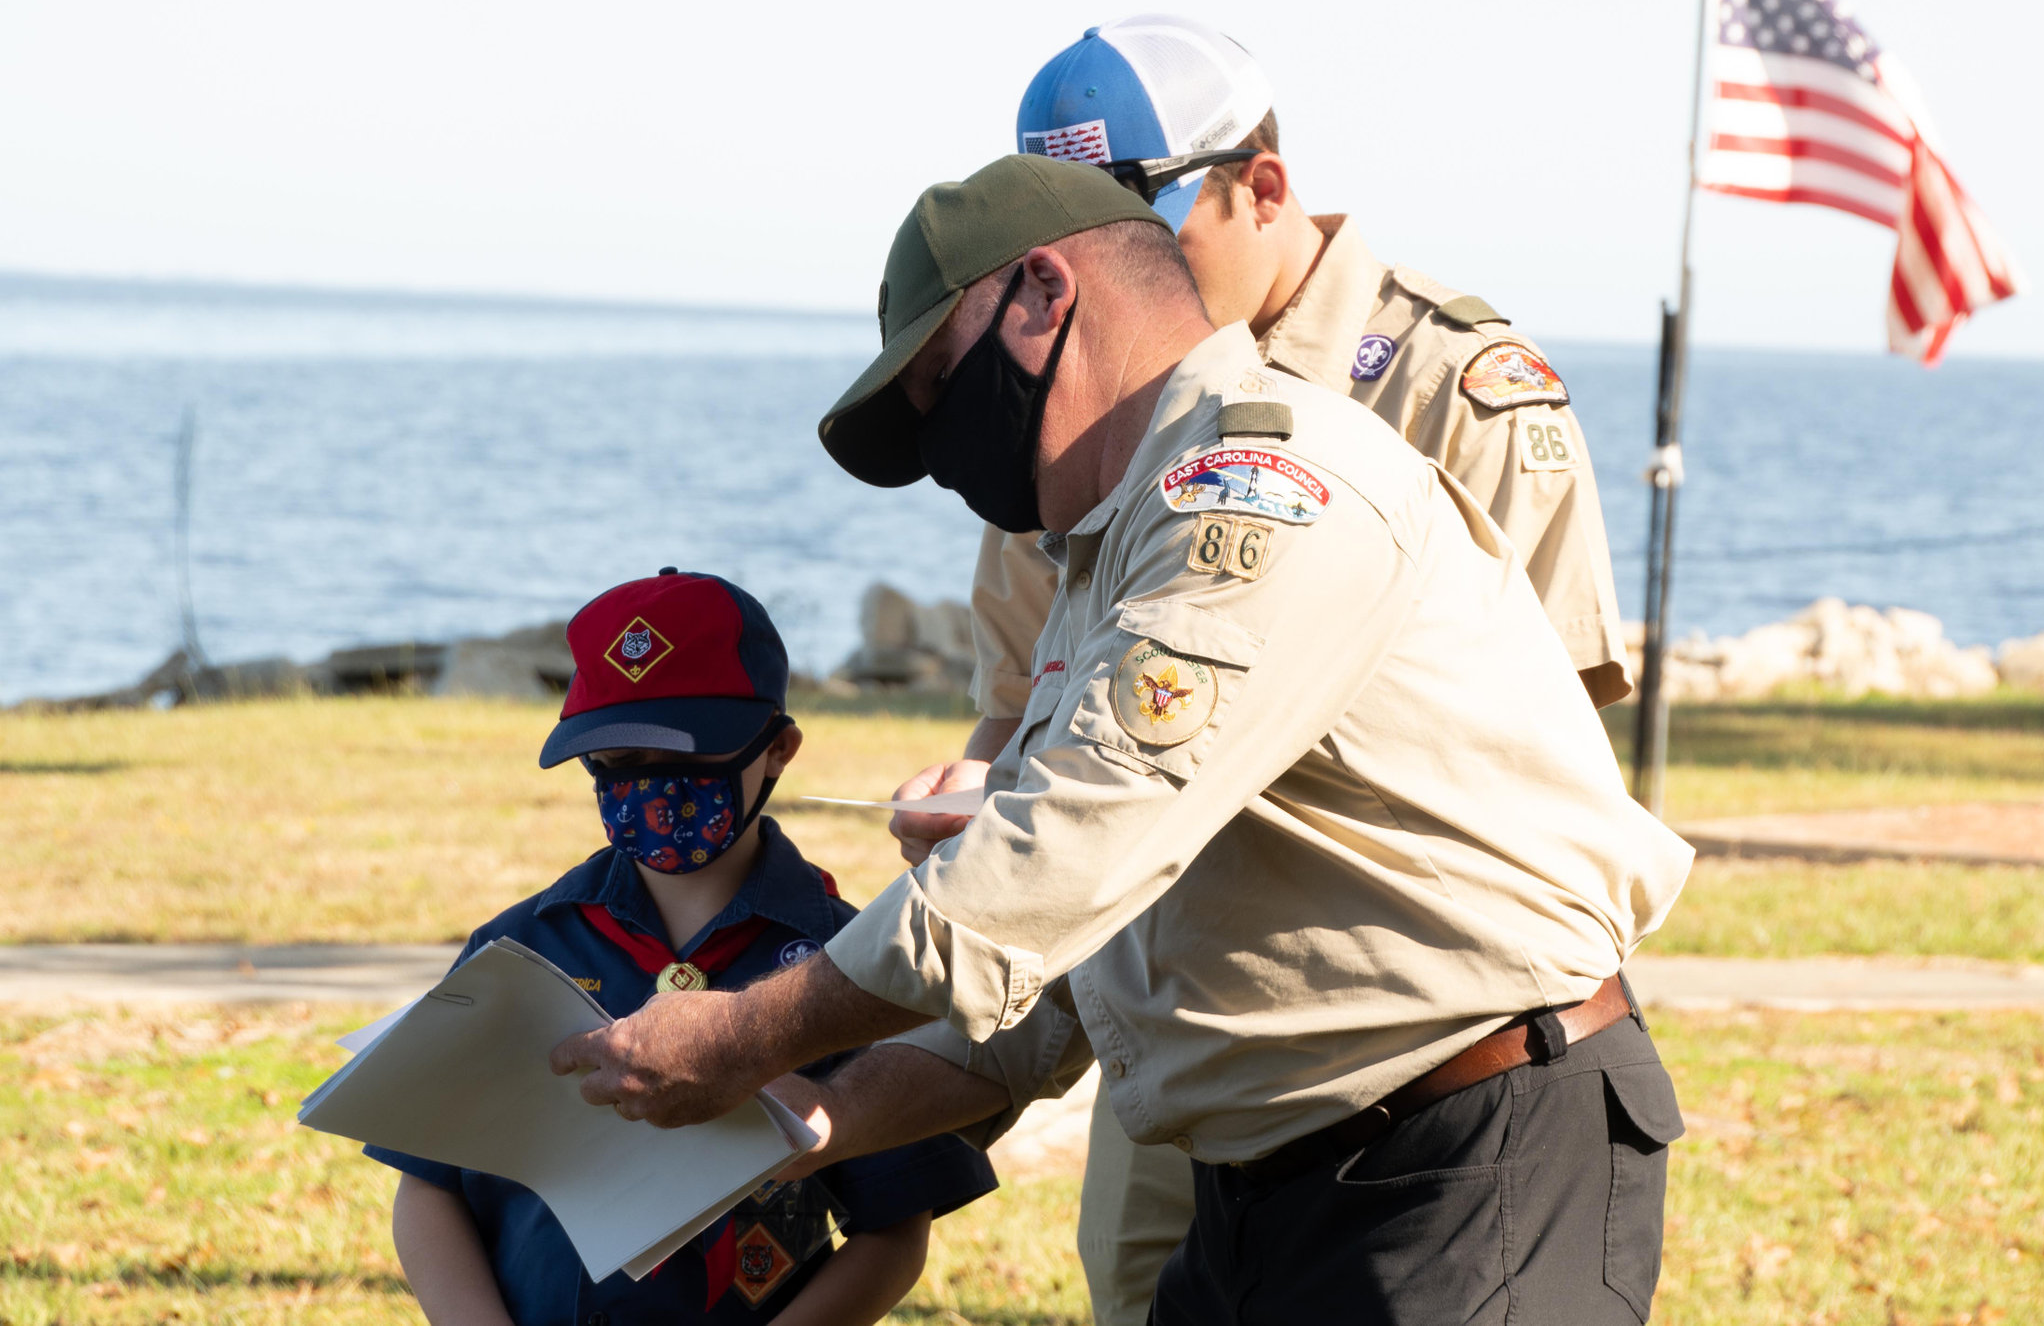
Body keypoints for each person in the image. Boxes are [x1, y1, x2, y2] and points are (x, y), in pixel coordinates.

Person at [548, 157, 1694, 1325]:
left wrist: (743, 1031)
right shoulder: (1119, 551)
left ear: (1045, 294)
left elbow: (1057, 856)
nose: (942, 445)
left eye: (941, 382)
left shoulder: (1260, 492)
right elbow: (1052, 972)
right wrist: (805, 1115)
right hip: (1280, 1188)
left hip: (1470, 1163)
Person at [904, 15, 1635, 1325]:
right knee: (1140, 1281)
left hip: (1407, 1047)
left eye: (1139, 225)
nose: (1098, 276)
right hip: (1162, 994)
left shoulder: (1449, 385)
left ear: (1263, 186)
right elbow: (1030, 709)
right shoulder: (1061, 410)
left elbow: (1531, 749)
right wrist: (986, 797)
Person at [373, 567, 996, 1326]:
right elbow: (429, 1182)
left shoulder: (856, 966)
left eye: (690, 757)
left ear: (778, 749)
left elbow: (894, 1228)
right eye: (619, 762)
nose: (655, 789)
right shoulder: (516, 948)